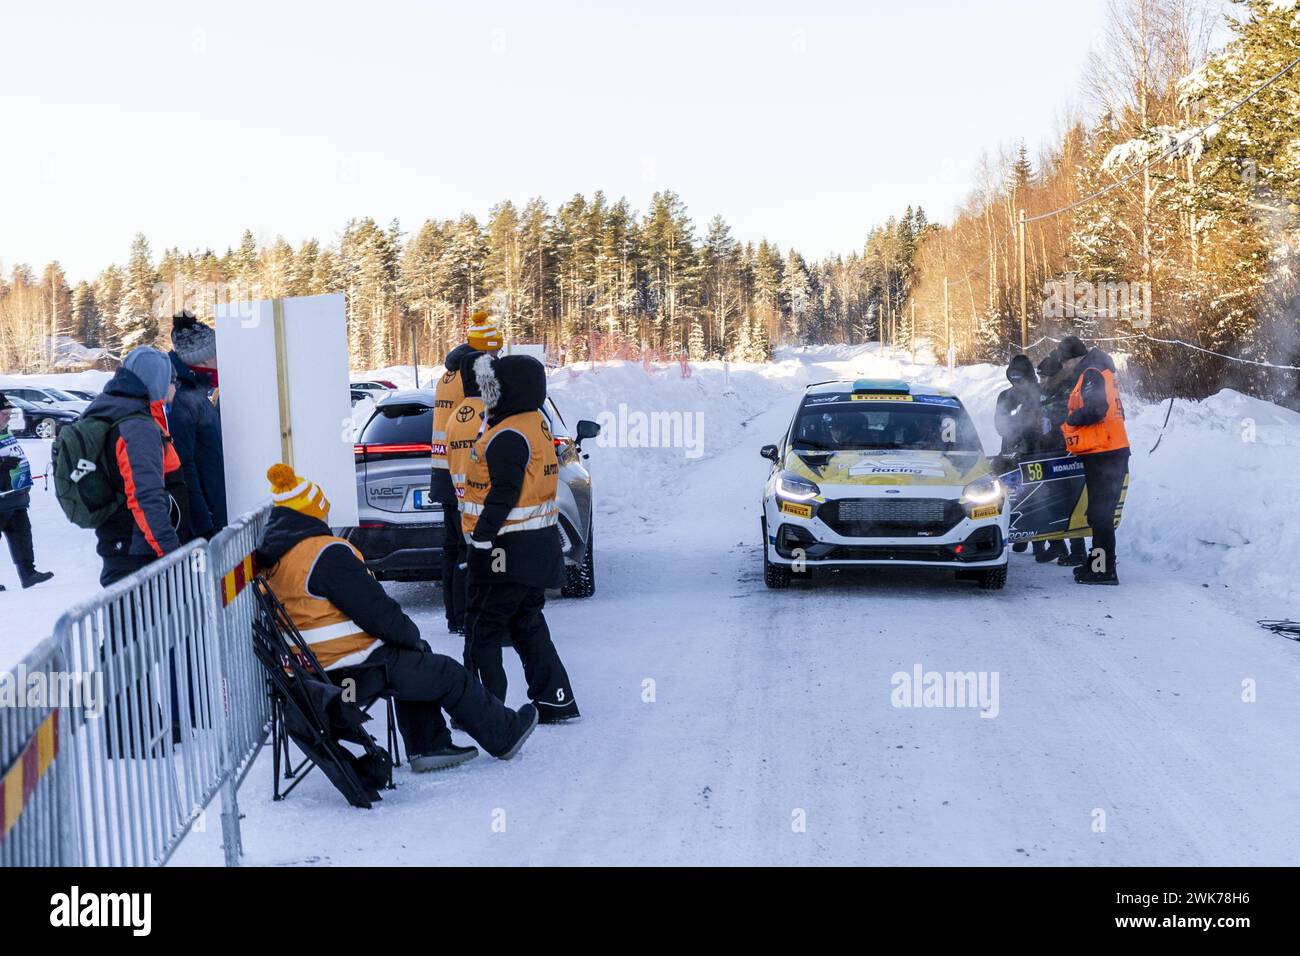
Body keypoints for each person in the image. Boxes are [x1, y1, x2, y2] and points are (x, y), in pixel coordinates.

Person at [257, 463, 538, 771]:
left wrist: (409, 641)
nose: (327, 519)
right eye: (323, 512)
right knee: (446, 672)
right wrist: (410, 635)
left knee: (416, 660)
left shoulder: (278, 557)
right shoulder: (324, 554)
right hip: (348, 673)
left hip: (313, 676)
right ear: (311, 515)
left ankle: (430, 746)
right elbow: (377, 612)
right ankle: (506, 735)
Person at [462, 354, 580, 723]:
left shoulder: (508, 435)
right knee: (526, 624)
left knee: (482, 629)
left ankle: (484, 712)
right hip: (535, 547)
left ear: (508, 390)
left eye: (492, 388)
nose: (487, 395)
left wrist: (481, 538)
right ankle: (555, 698)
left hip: (505, 550)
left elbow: (505, 493)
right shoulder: (534, 422)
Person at [83, 347, 184, 586]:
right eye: (169, 379)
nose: (173, 387)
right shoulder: (137, 427)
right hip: (137, 554)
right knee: (140, 622)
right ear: (156, 380)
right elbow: (145, 496)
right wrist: (171, 550)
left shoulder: (115, 408)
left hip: (123, 546)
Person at [429, 311, 503, 634]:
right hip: (463, 469)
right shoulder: (469, 377)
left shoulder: (447, 376)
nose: (497, 357)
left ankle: (455, 617)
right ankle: (468, 616)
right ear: (483, 350)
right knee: (468, 547)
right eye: (495, 351)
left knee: (452, 547)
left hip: (443, 469)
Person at [1058, 335, 1130, 585]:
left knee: (1101, 515)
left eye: (1065, 363)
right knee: (1098, 514)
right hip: (1108, 451)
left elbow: (1097, 408)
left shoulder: (1091, 372)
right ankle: (1097, 563)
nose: (1065, 368)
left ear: (1072, 359)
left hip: (1105, 453)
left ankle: (1104, 570)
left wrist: (1071, 420)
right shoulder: (1100, 370)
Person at [168, 311, 227, 538]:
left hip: (215, 511)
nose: (221, 359)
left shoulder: (198, 392)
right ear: (202, 359)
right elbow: (184, 466)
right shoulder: (183, 398)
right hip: (207, 525)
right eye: (216, 354)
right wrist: (205, 524)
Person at [444, 348, 486, 667]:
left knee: (463, 560)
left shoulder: (454, 419)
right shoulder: (490, 415)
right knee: (491, 570)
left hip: (463, 503)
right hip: (488, 504)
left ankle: (461, 620)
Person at [1035, 350, 1085, 566]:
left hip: (1067, 455)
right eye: (1040, 377)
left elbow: (1065, 420)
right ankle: (1057, 545)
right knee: (1050, 500)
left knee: (1068, 502)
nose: (1042, 381)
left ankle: (1078, 551)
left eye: (1045, 377)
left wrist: (1051, 435)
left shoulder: (1066, 391)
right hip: (1050, 453)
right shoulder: (1045, 391)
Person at [994, 354, 1047, 557]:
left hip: (1036, 452)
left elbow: (1045, 421)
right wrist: (1017, 424)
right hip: (1010, 452)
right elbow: (1000, 424)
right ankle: (1019, 536)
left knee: (1038, 497)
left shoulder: (1040, 393)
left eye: (1020, 379)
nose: (1017, 383)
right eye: (1013, 379)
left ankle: (1041, 544)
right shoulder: (1005, 396)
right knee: (1012, 495)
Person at [0, 394, 53, 590]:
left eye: (9, 413)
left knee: (23, 536)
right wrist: (3, 465)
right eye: (4, 413)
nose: (8, 417)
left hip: (15, 496)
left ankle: (28, 574)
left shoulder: (5, 431)